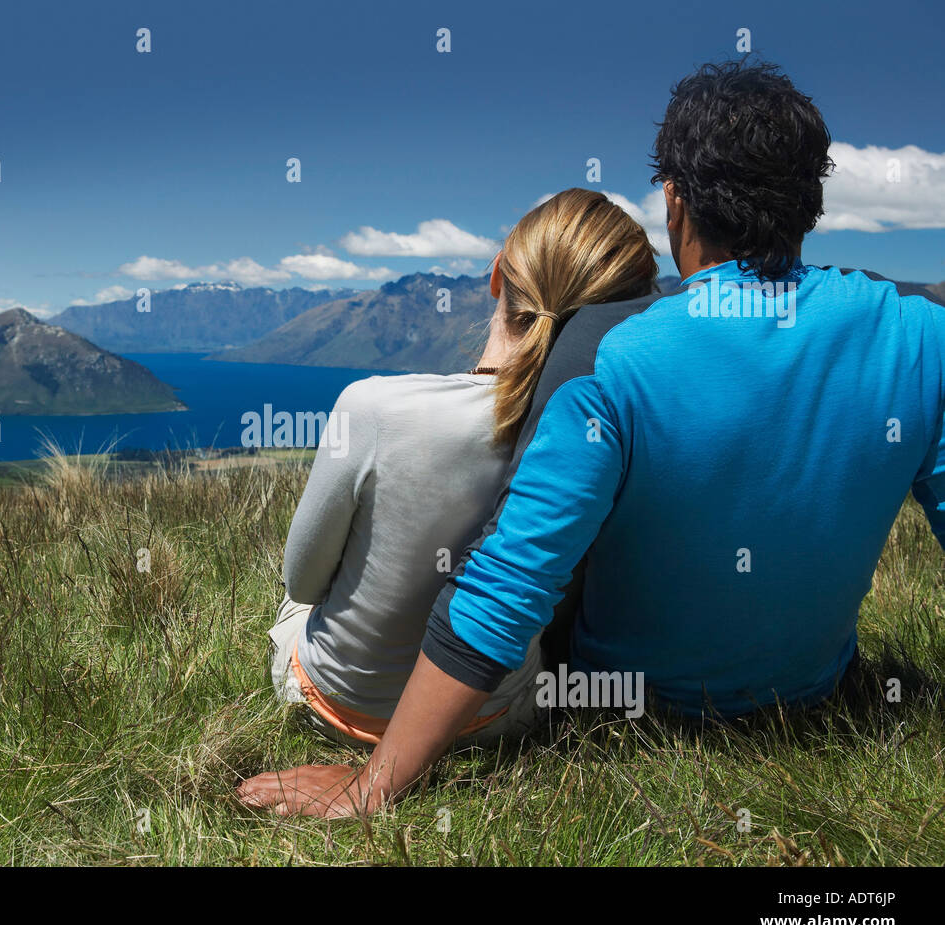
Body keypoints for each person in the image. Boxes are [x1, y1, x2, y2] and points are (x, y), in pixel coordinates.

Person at [238, 59, 945, 817]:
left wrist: (373, 784)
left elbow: (504, 588)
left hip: (626, 716)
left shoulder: (613, 356)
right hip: (813, 697)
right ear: (811, 205)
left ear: (673, 202)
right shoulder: (920, 335)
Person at [268, 188, 657, 747]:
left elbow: (303, 582)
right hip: (497, 721)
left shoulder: (373, 406)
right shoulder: (602, 434)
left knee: (293, 601)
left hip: (334, 705)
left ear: (498, 276)